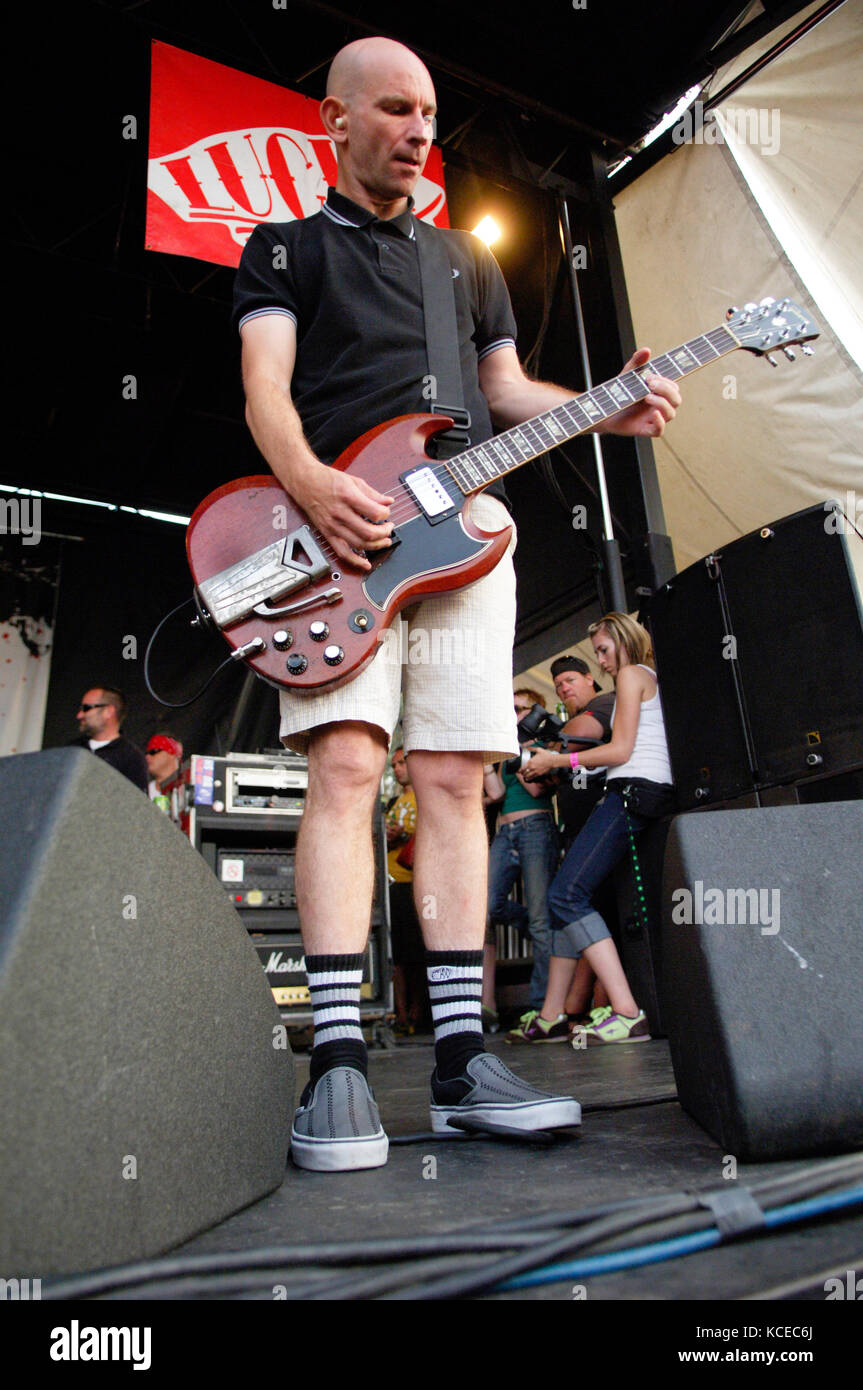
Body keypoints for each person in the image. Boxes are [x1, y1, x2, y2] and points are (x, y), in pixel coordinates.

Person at [232, 36, 681, 1170]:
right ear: (333, 119)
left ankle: (462, 1060)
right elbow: (264, 394)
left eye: (428, 110)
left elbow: (500, 393)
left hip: (471, 545)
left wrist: (604, 405)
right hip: (342, 544)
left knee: (453, 780)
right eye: (391, 108)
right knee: (344, 768)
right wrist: (313, 487)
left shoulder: (462, 263)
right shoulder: (283, 248)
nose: (417, 127)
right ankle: (335, 1063)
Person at [521, 613, 675, 1044]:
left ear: (624, 641)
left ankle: (627, 1010)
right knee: (573, 898)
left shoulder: (631, 674)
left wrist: (557, 760)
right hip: (644, 791)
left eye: (604, 651)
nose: (603, 662)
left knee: (566, 895)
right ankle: (580, 1010)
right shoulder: (649, 677)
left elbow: (621, 748)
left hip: (632, 790)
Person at [483, 689, 560, 1029]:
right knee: (490, 906)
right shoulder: (507, 749)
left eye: (518, 710)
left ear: (532, 713)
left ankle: (542, 1006)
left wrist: (520, 755)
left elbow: (538, 790)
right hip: (505, 831)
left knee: (542, 920)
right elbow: (496, 794)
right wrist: (488, 766)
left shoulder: (540, 746)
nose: (512, 715)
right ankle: (552, 941)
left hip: (534, 826)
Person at [385, 745, 427, 1035]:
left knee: (417, 954)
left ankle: (420, 1013)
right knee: (396, 955)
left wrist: (406, 833)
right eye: (395, 764)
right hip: (392, 882)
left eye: (403, 762)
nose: (398, 768)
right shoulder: (392, 802)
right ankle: (400, 1014)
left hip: (416, 882)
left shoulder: (425, 797)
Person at [73, 686, 148, 792]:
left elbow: (136, 805)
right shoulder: (73, 749)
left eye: (86, 708)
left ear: (108, 711)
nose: (79, 715)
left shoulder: (131, 758)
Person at [145, 733, 183, 800]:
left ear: (173, 753)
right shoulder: (142, 792)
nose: (147, 756)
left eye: (154, 751)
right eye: (146, 753)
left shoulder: (190, 790)